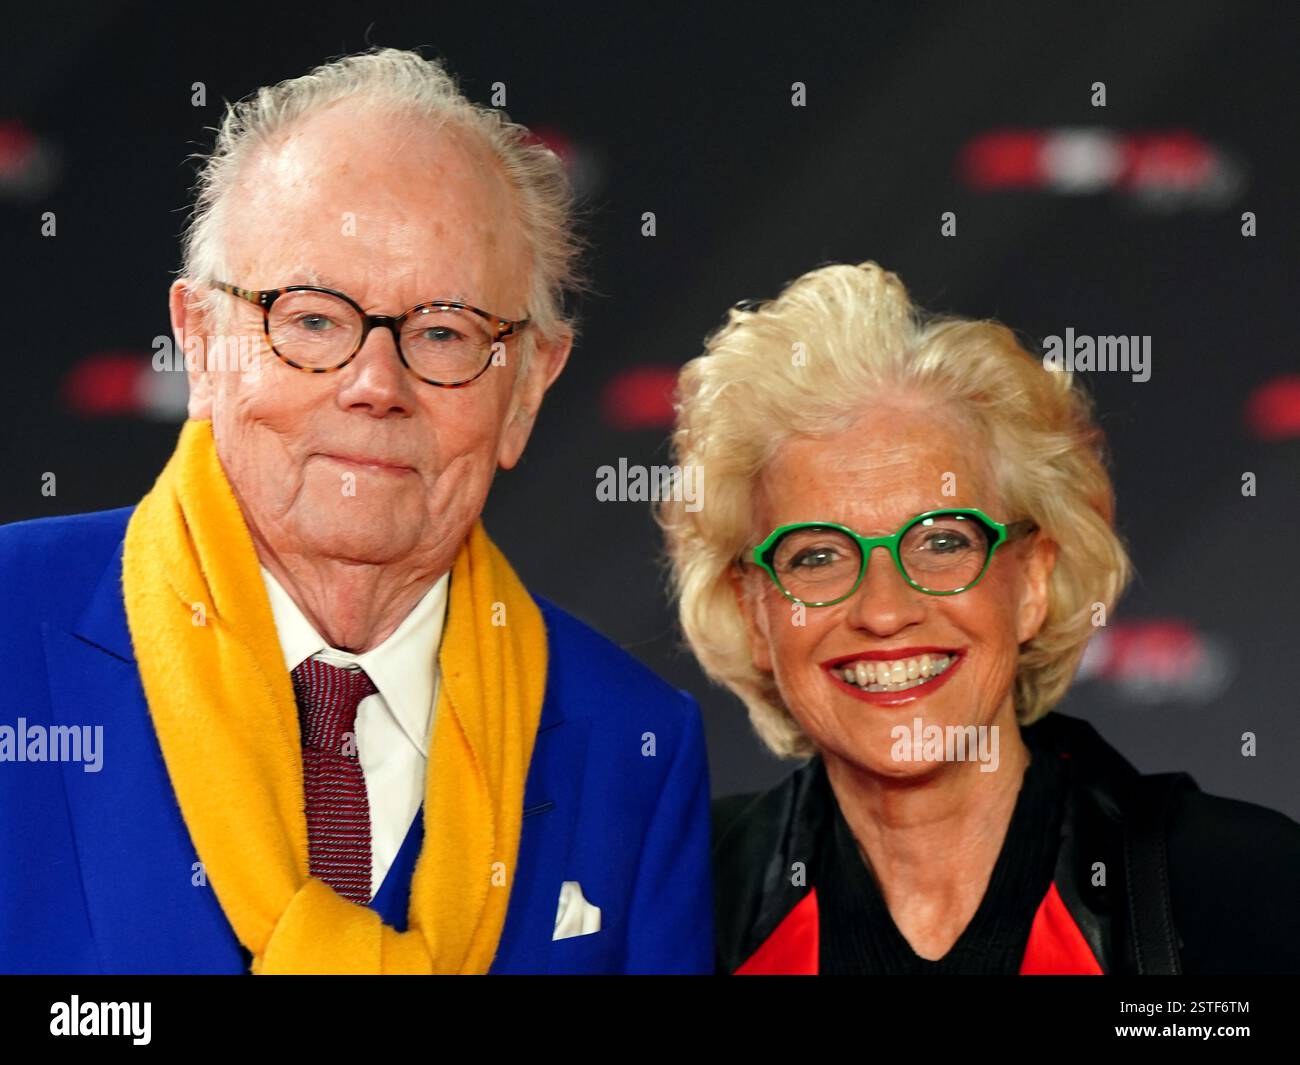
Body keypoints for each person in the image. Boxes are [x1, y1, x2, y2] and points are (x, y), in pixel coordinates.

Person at [0, 48, 711, 975]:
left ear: (531, 388)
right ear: (200, 344)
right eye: (312, 319)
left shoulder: (636, 748)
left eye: (445, 332)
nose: (377, 384)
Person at [658, 260, 1300, 974]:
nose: (884, 608)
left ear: (1031, 579)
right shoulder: (677, 905)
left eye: (940, 541)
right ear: (754, 610)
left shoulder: (1238, 888)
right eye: (817, 555)